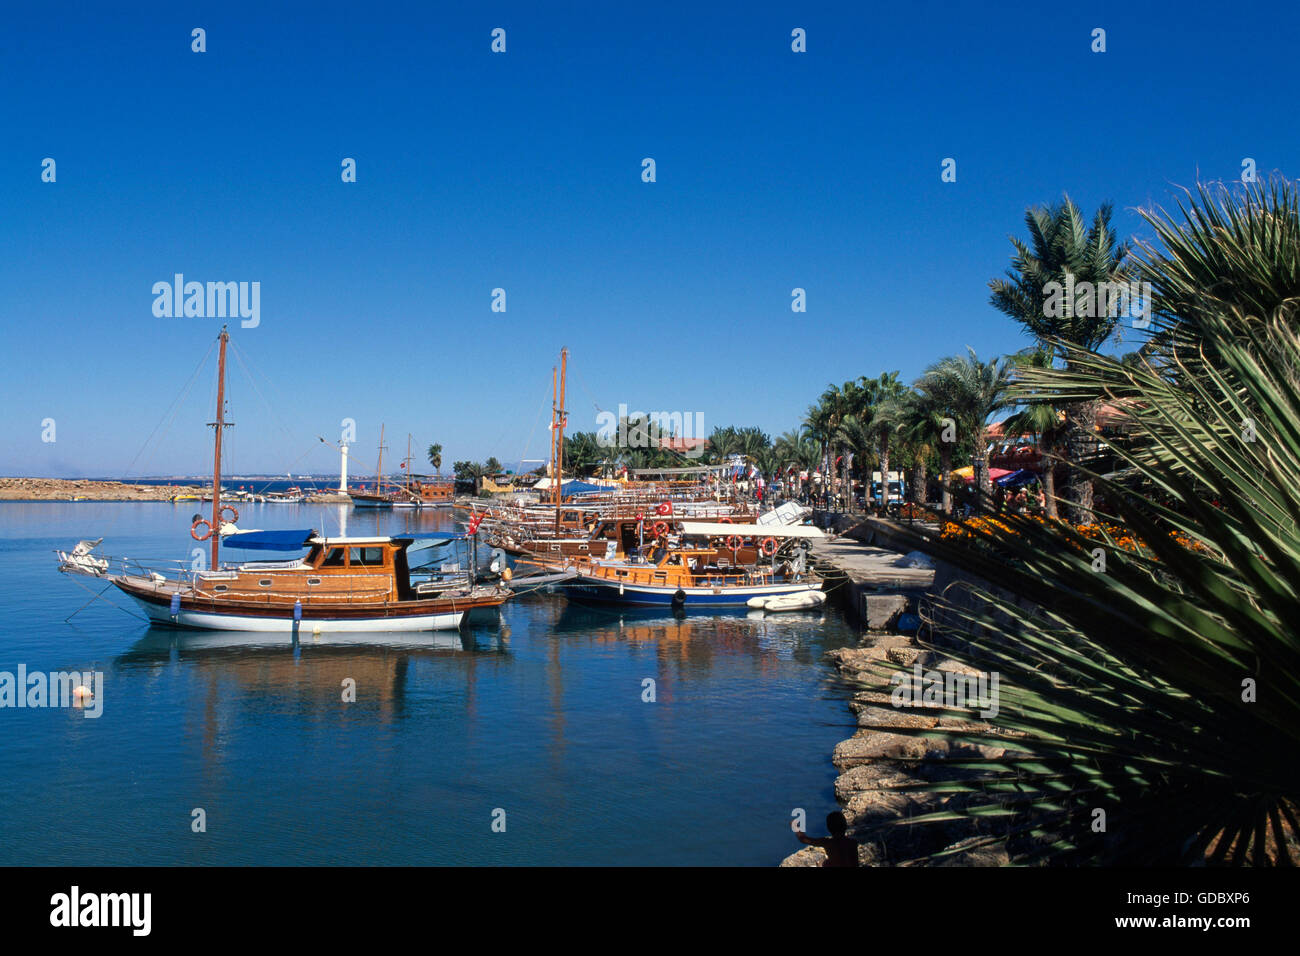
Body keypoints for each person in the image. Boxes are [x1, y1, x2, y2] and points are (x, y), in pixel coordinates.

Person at [794, 811, 859, 867]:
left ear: (828, 828)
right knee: (826, 862)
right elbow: (855, 864)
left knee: (823, 863)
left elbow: (803, 839)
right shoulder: (853, 842)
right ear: (845, 826)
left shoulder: (828, 842)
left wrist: (795, 826)